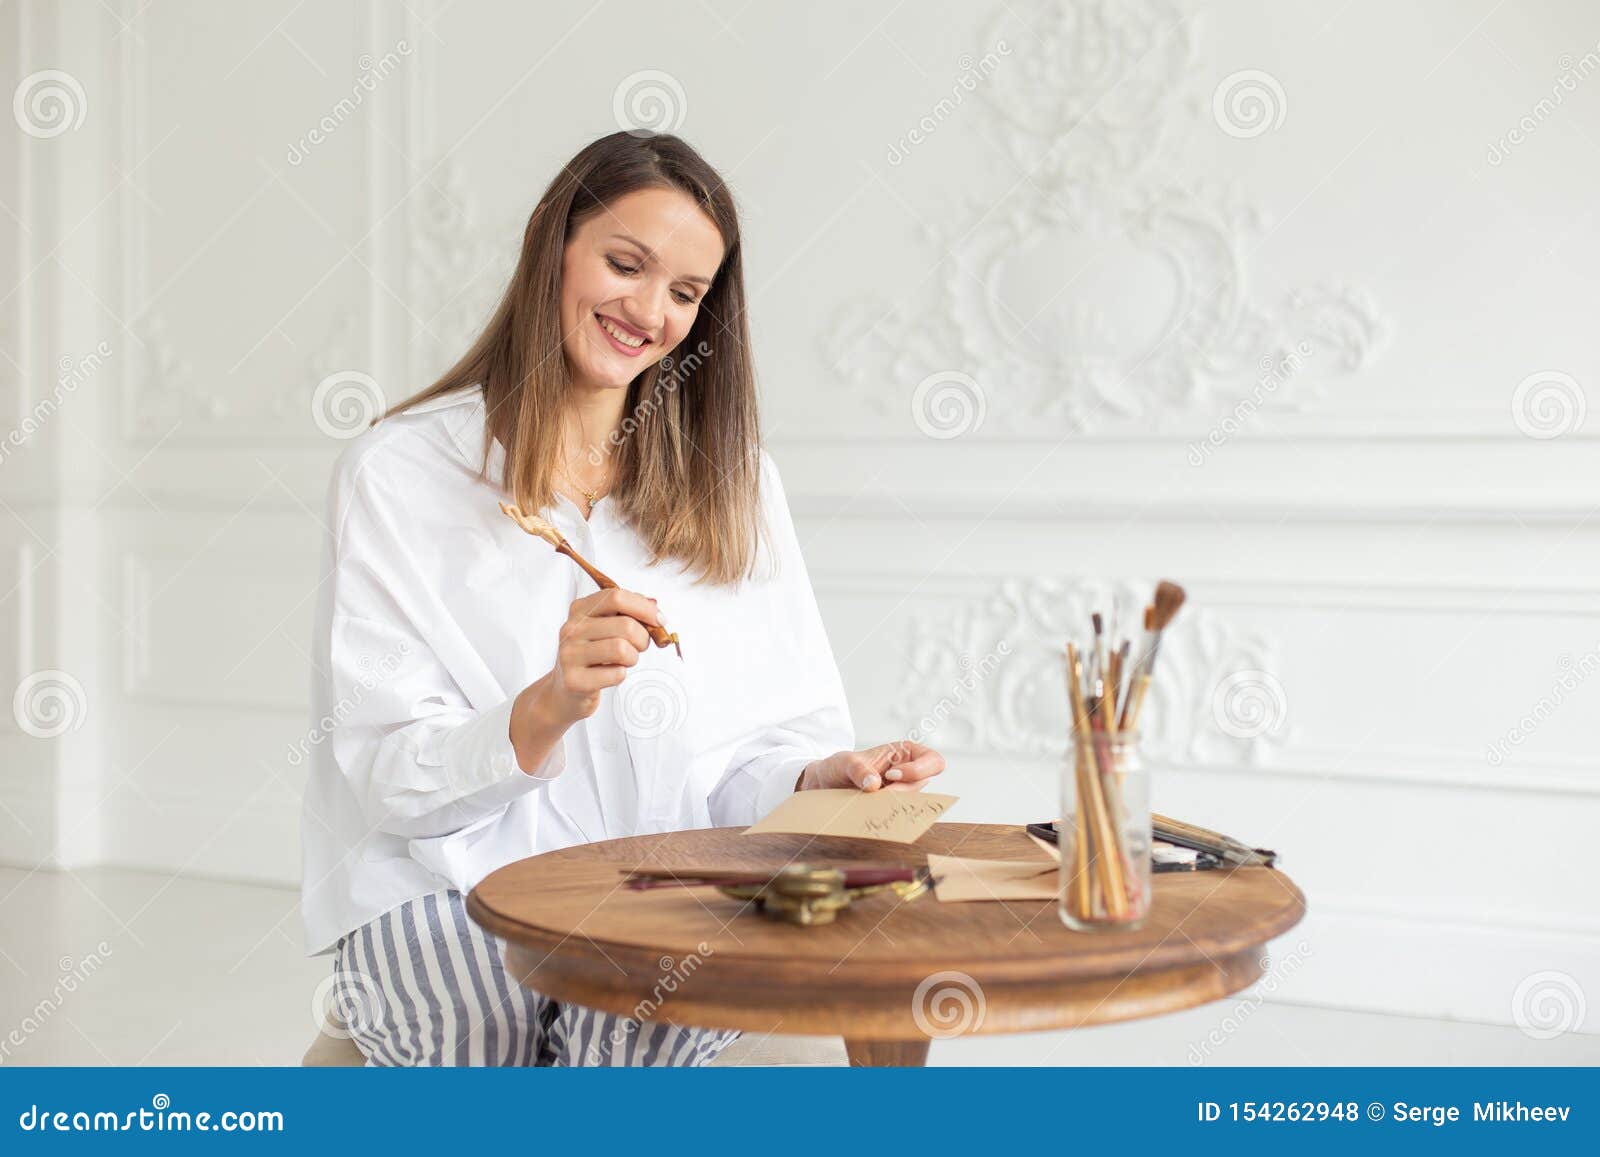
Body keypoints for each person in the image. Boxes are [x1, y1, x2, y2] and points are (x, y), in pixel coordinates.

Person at [298, 130, 947, 1066]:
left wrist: (817, 778)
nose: (649, 310)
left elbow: (756, 754)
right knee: (467, 1011)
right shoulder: (398, 472)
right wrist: (545, 707)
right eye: (625, 263)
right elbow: (387, 775)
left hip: (665, 890)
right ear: (553, 245)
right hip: (439, 882)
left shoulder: (738, 485)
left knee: (642, 1019)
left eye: (685, 293)